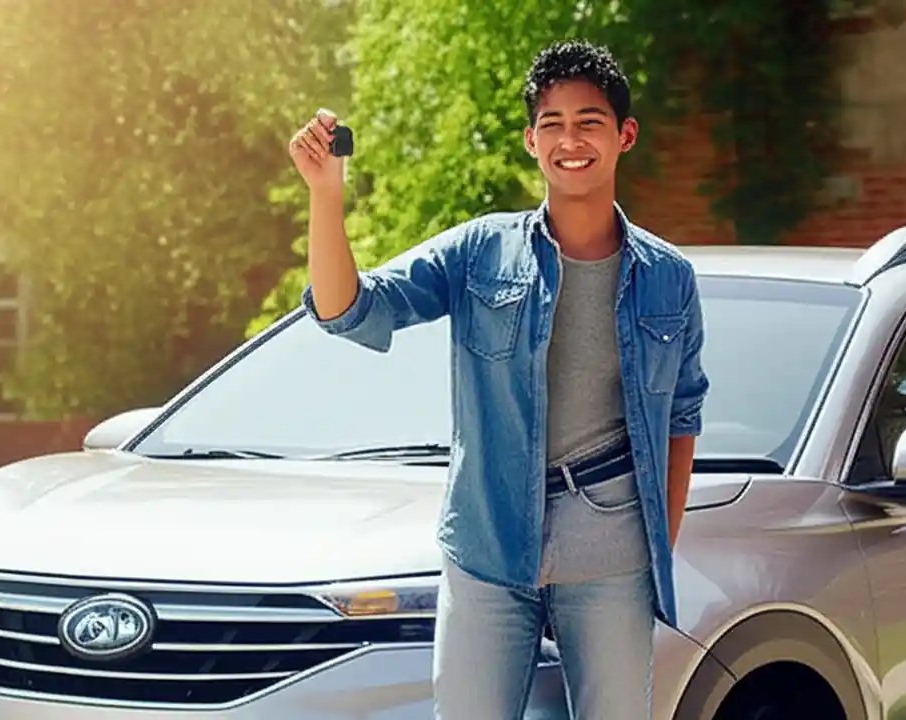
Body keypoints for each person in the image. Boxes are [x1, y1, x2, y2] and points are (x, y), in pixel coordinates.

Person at [288, 40, 709, 719]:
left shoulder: (669, 277)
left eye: (589, 121)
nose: (570, 140)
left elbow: (683, 417)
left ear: (625, 135)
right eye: (553, 124)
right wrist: (325, 197)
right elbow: (349, 310)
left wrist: (656, 540)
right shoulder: (480, 251)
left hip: (610, 550)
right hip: (487, 542)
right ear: (530, 141)